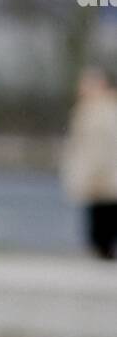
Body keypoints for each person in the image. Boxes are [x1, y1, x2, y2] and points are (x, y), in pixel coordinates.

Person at [60, 64, 117, 259]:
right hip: (97, 173)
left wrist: (96, 171)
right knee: (99, 214)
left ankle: (103, 251)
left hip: (102, 173)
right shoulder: (89, 110)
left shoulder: (102, 111)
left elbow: (101, 146)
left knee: (104, 215)